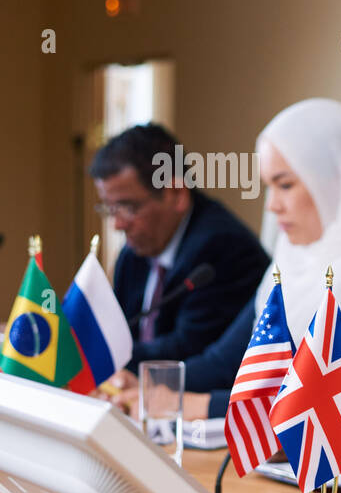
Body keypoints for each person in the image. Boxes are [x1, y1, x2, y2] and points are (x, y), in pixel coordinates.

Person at [106, 98, 341, 421]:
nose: (272, 206)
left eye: (285, 185)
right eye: (268, 187)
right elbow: (226, 362)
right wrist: (152, 387)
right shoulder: (292, 261)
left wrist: (195, 403)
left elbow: (336, 395)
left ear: (339, 180)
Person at [92, 123, 269, 367]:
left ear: (176, 193)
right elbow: (119, 330)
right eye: (109, 209)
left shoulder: (225, 248)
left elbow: (189, 351)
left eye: (128, 207)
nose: (117, 225)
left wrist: (98, 356)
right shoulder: (134, 253)